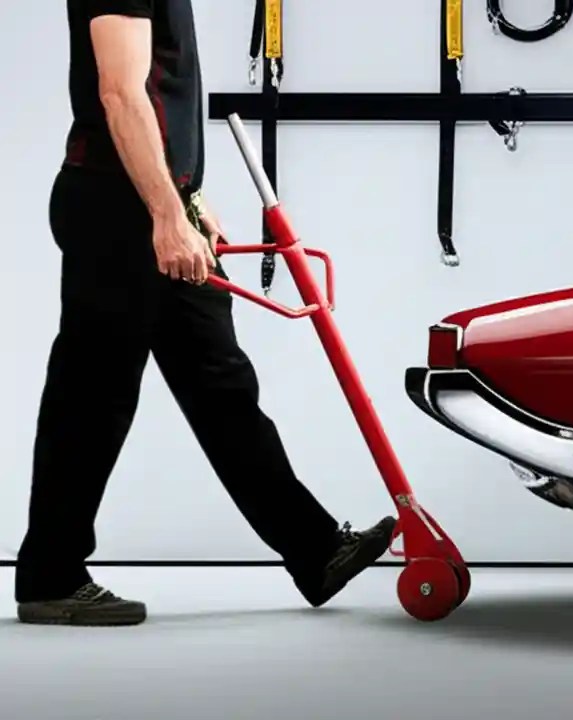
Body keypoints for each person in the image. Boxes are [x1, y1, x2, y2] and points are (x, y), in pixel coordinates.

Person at [14, 0, 396, 626]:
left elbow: (162, 97)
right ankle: (50, 576)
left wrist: (189, 193)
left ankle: (315, 549)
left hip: (155, 204)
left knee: (221, 385)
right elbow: (119, 92)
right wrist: (166, 212)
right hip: (117, 211)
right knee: (92, 397)